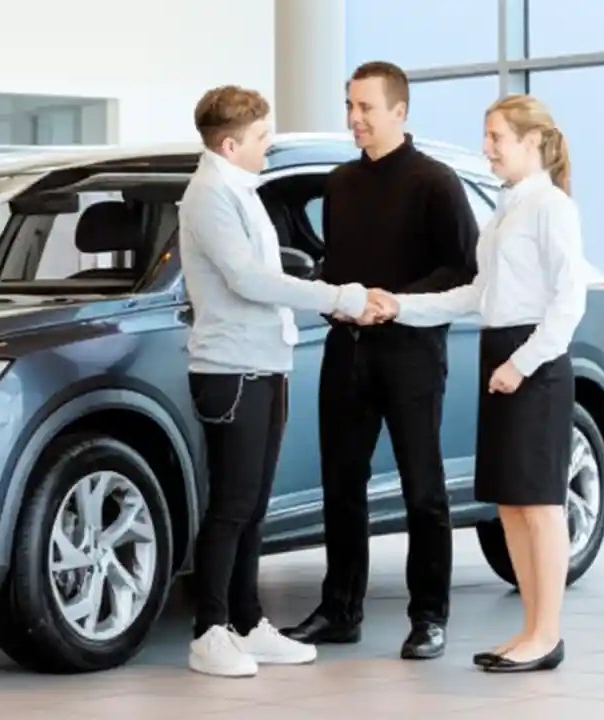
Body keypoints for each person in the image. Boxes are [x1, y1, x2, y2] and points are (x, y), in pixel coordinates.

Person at [367, 93, 583, 673]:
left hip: (531, 360)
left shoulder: (551, 207)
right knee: (510, 502)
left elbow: (569, 300)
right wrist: (403, 306)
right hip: (501, 351)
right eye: (486, 137)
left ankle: (547, 633)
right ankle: (530, 632)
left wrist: (523, 363)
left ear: (532, 142)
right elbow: (475, 295)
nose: (486, 149)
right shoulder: (506, 208)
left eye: (497, 139)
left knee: (539, 504)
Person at [178, 84, 386, 678]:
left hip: (265, 363)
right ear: (230, 142)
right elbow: (250, 280)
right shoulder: (211, 196)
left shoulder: (240, 189)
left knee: (255, 506)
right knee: (232, 505)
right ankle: (209, 630)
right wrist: (340, 297)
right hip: (232, 370)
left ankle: (245, 623)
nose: (268, 147)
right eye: (262, 138)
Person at [280, 61, 480, 660]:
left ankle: (429, 616)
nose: (354, 118)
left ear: (399, 111)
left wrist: (402, 304)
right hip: (347, 352)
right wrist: (332, 300)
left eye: (365, 107)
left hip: (413, 354)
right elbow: (336, 264)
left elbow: (463, 269)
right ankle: (340, 609)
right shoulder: (339, 184)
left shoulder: (436, 182)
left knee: (423, 489)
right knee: (341, 486)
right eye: (349, 105)